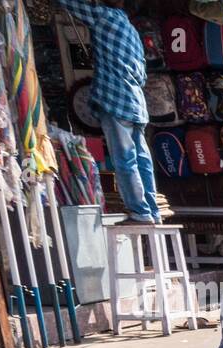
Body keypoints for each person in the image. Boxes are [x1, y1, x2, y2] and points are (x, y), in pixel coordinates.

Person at [59, 0, 158, 224]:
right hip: (136, 103)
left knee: (124, 160)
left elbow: (70, 5)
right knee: (142, 160)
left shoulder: (104, 17)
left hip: (116, 102)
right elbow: (142, 74)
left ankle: (140, 212)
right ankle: (151, 210)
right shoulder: (132, 30)